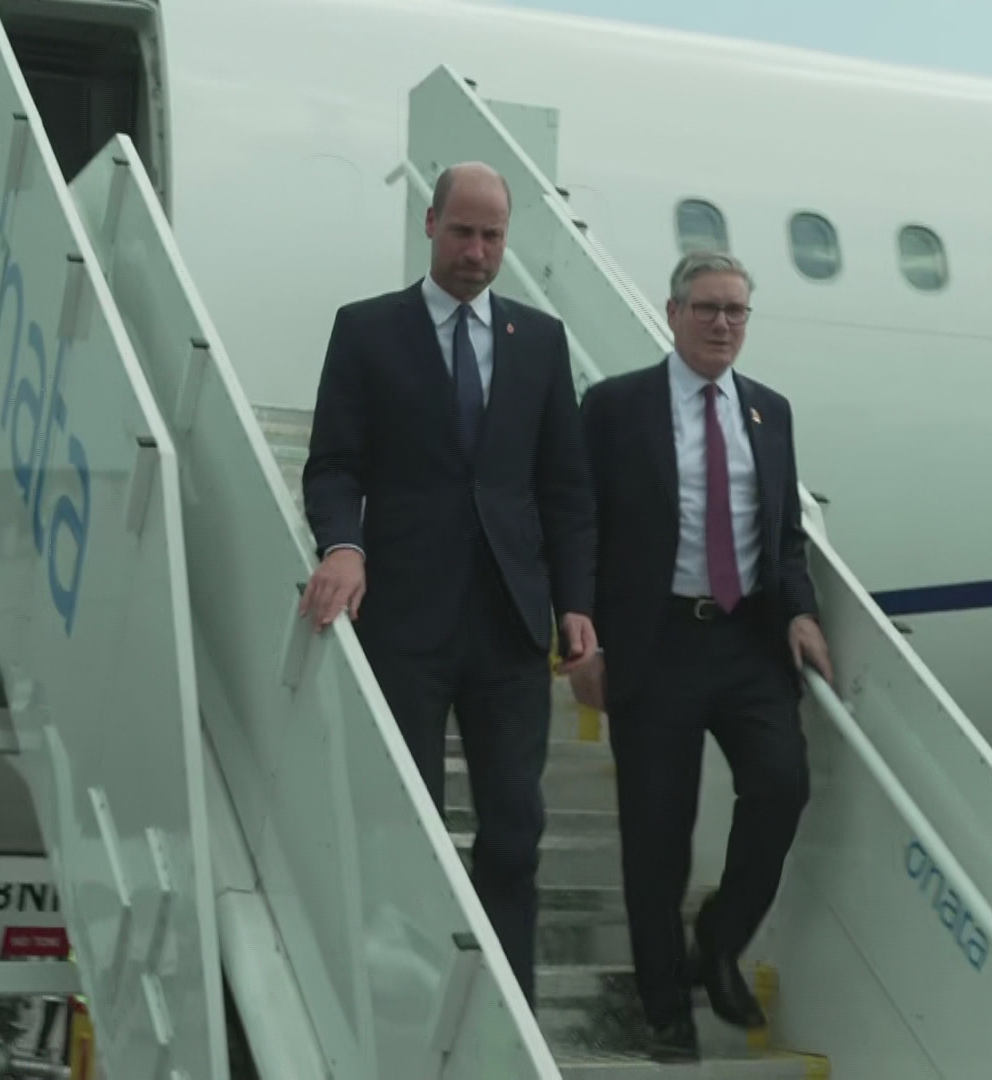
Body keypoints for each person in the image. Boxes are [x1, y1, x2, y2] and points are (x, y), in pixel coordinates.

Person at [298, 161, 598, 1005]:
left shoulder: (538, 342)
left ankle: (507, 1003)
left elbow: (566, 490)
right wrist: (343, 546)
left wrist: (575, 602)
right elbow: (333, 466)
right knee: (407, 820)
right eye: (462, 231)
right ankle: (407, 994)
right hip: (403, 614)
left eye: (492, 236)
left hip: (509, 620)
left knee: (515, 825)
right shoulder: (366, 331)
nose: (476, 250)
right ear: (430, 224)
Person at [571, 250, 833, 1062]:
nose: (724, 324)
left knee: (782, 786)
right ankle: (664, 1011)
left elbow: (784, 537)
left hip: (747, 642)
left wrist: (801, 614)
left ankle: (717, 942)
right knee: (657, 834)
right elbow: (579, 524)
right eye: (709, 308)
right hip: (656, 645)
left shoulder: (770, 412)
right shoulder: (616, 408)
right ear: (673, 312)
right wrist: (576, 634)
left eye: (737, 312)